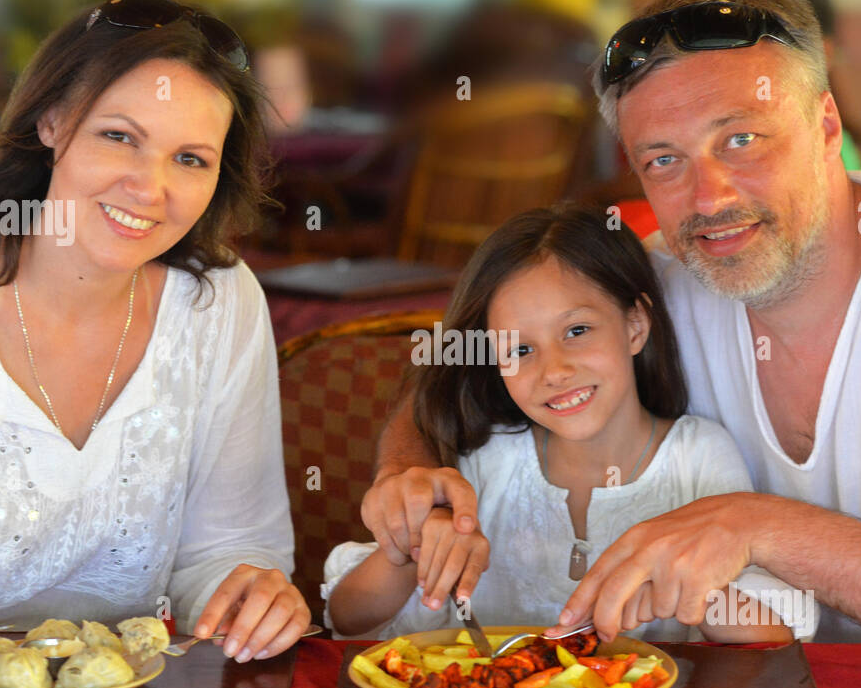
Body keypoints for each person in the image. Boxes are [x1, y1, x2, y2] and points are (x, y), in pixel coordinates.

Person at [361, 0, 861, 688]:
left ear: (826, 124)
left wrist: (759, 526)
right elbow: (452, 373)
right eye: (664, 159)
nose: (709, 196)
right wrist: (411, 477)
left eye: (740, 140)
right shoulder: (666, 283)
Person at [0, 0, 308, 663]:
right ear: (51, 121)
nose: (149, 186)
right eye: (119, 137)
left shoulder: (220, 303)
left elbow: (226, 549)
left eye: (190, 158)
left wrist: (249, 594)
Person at [324, 205, 804, 643]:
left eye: (576, 331)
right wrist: (412, 550)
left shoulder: (698, 456)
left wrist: (685, 587)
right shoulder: (484, 464)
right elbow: (347, 620)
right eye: (520, 349)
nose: (553, 371)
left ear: (635, 325)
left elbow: (772, 637)